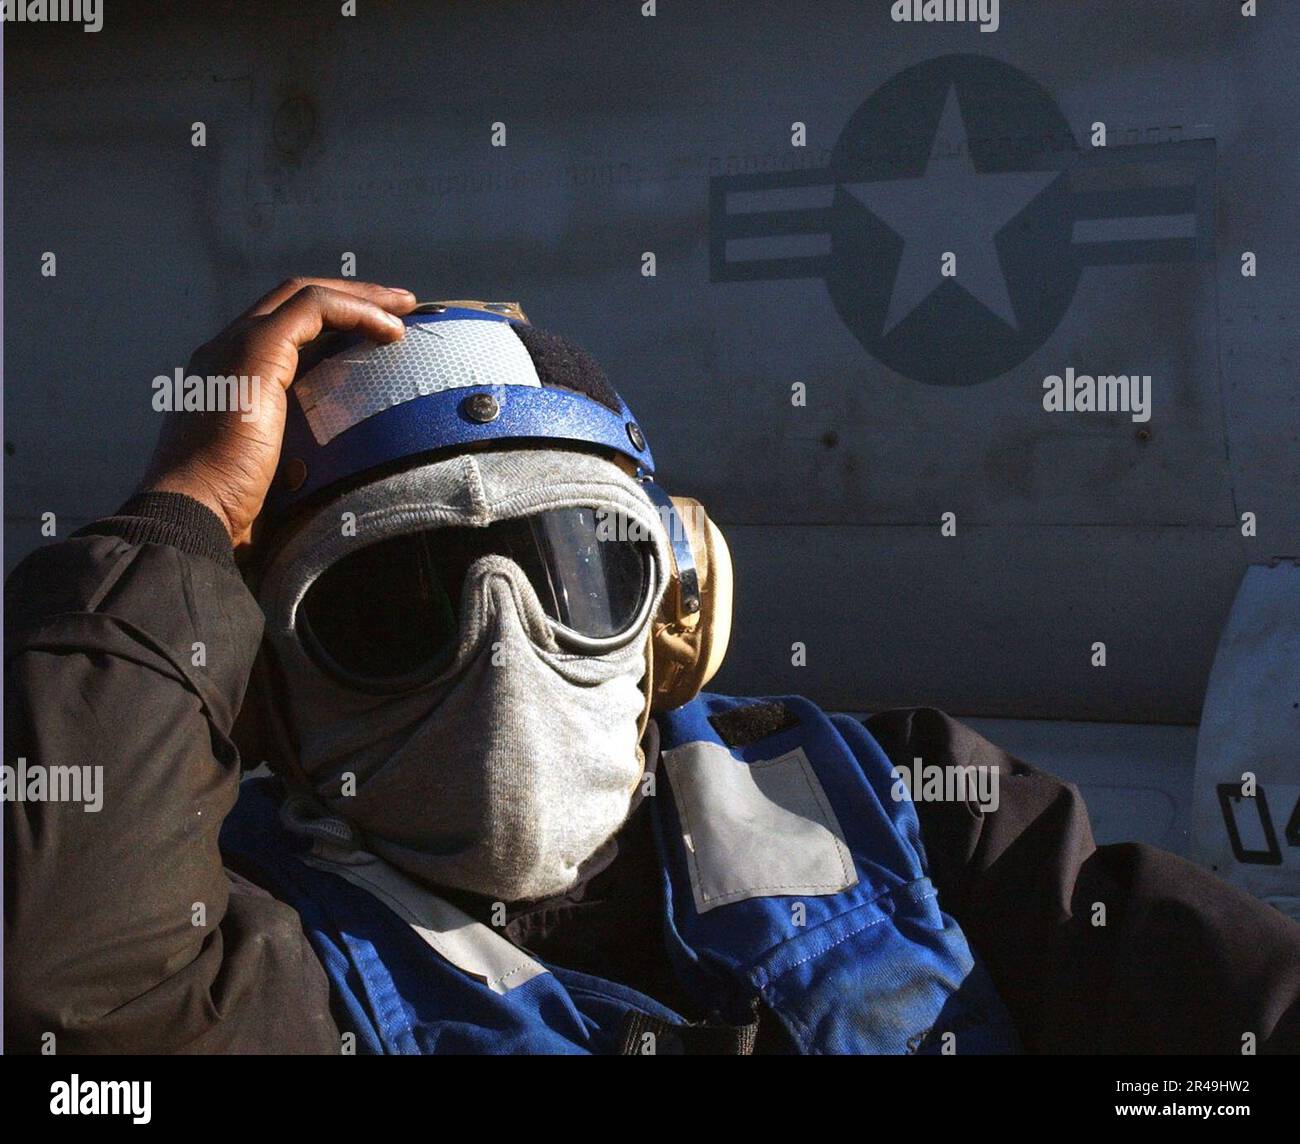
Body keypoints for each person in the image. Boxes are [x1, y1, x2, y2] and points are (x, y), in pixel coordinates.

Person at [5, 279, 1298, 1055]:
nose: (506, 652)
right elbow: (69, 972)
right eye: (394, 604)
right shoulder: (262, 973)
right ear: (270, 686)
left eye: (575, 569)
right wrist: (179, 519)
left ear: (674, 607)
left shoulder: (895, 801)